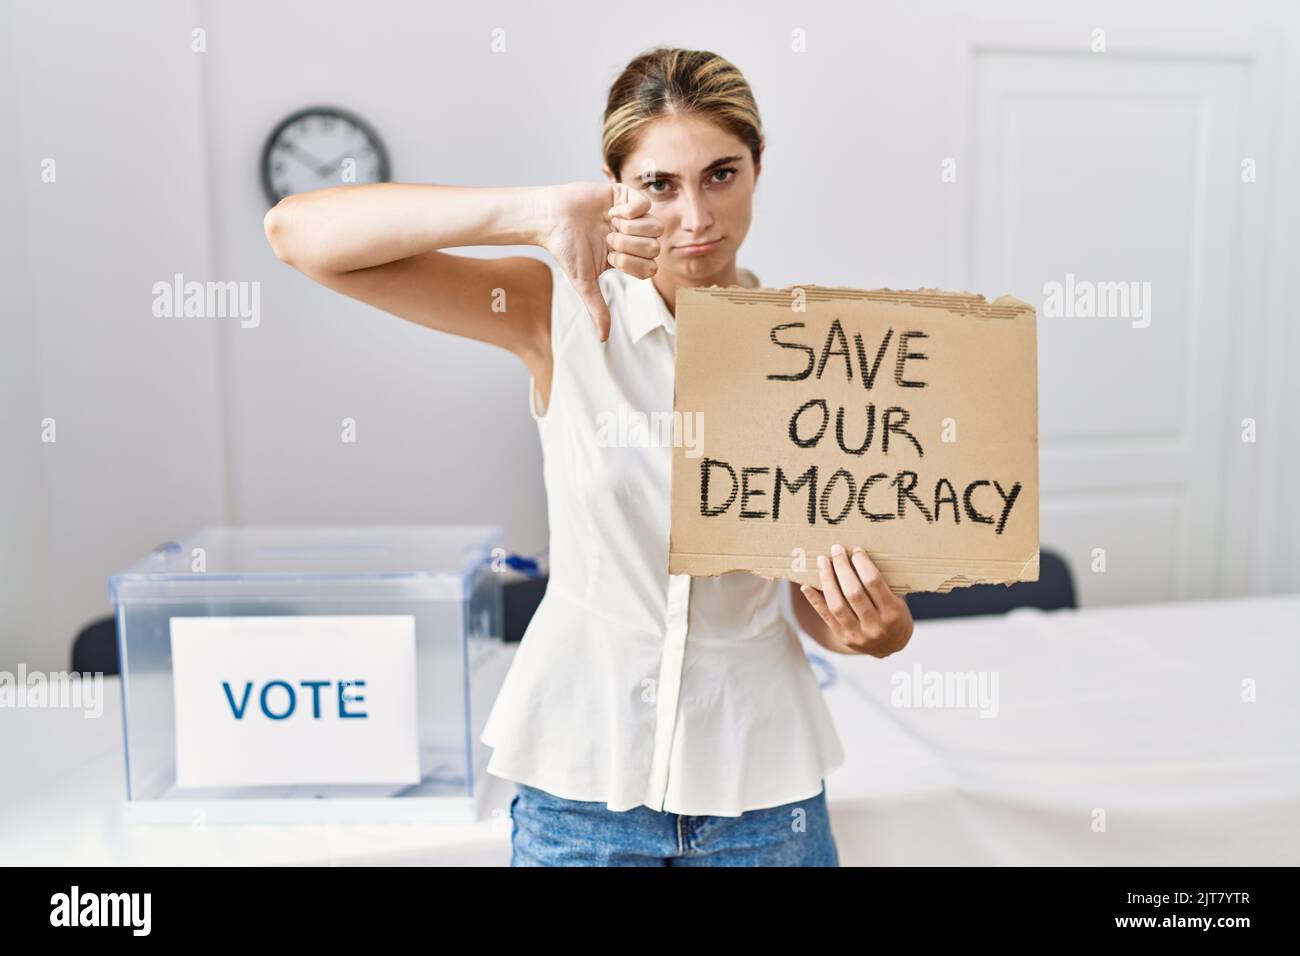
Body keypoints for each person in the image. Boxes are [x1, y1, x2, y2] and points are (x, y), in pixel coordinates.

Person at [264, 46, 914, 866]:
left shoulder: (816, 357)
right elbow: (298, 235)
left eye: (721, 174)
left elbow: (809, 595)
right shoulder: (556, 315)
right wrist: (536, 212)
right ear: (614, 187)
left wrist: (869, 630)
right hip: (582, 793)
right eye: (658, 184)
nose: (695, 217)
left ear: (757, 167)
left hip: (762, 792)